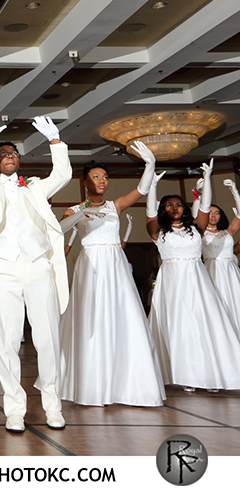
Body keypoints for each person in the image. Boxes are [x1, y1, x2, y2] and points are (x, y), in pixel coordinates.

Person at [0, 114, 70, 432]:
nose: (10, 157)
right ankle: (14, 409)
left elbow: (63, 174)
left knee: (48, 339)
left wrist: (55, 141)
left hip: (38, 265)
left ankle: (53, 405)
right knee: (7, 341)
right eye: (3, 155)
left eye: (14, 154)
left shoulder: (35, 188)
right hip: (6, 269)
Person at [58, 146, 166, 407]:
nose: (102, 181)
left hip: (116, 264)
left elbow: (140, 191)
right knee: (92, 319)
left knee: (124, 315)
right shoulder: (73, 209)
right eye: (96, 177)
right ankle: (92, 383)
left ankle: (129, 384)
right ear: (85, 182)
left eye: (105, 177)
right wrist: (80, 213)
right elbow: (59, 229)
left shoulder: (114, 205)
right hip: (91, 264)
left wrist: (149, 164)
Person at [146, 161, 240, 392]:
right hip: (172, 283)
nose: (175, 207)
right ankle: (185, 374)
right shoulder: (157, 231)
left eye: (179, 204)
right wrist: (152, 187)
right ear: (163, 210)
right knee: (180, 327)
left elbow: (205, 205)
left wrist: (207, 178)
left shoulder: (196, 227)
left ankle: (212, 375)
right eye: (169, 205)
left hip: (198, 280)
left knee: (204, 325)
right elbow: (149, 212)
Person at [194, 180, 240, 334]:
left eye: (217, 212)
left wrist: (234, 192)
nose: (213, 215)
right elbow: (197, 213)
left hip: (231, 272)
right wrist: (199, 194)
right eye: (210, 212)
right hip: (212, 271)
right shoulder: (199, 233)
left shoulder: (228, 232)